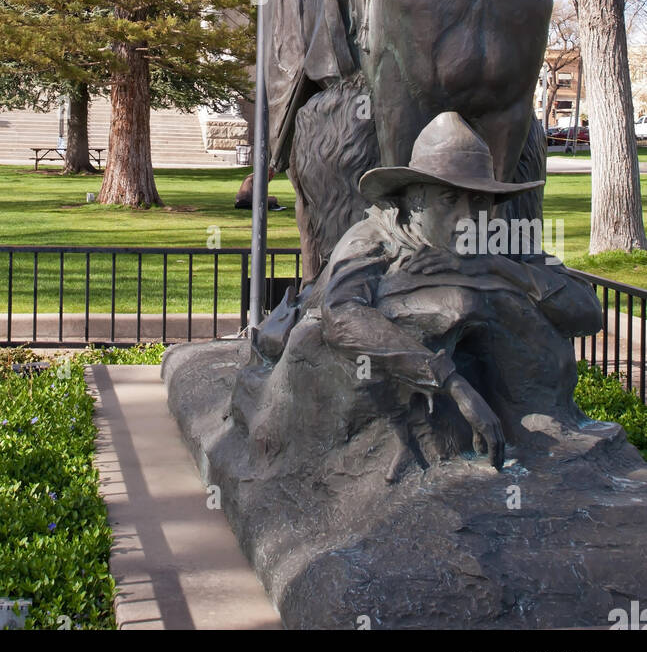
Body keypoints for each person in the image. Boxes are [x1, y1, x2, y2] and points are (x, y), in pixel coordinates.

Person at [235, 113, 601, 482]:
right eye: (449, 198)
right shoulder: (372, 239)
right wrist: (451, 382)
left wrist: (494, 267)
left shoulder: (495, 240)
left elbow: (587, 312)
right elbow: (342, 313)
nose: (467, 215)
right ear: (414, 200)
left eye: (478, 199)